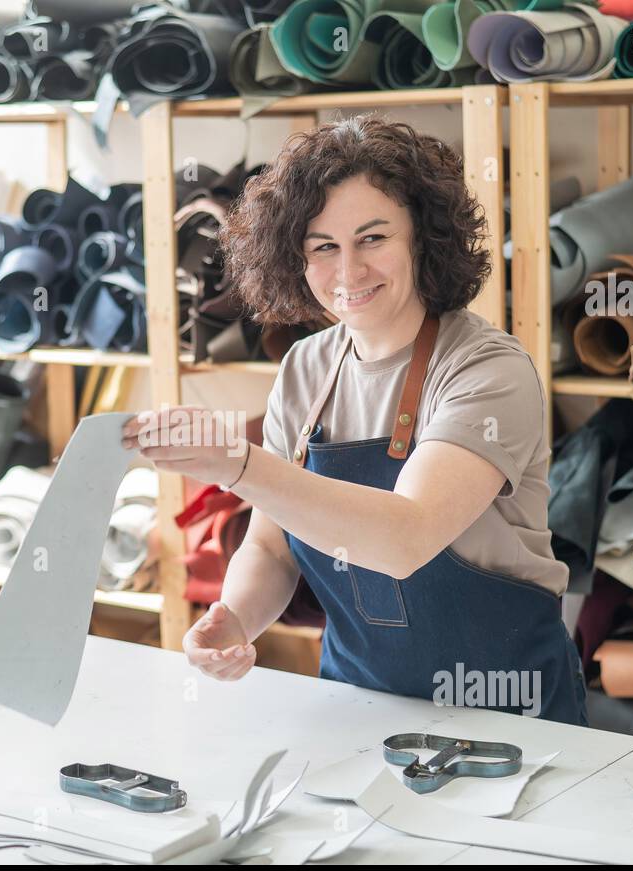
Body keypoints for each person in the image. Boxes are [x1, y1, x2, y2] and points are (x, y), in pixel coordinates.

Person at [122, 116, 587, 725]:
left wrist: (237, 463)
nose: (348, 272)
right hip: (356, 711)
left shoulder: (487, 368)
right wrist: (232, 617)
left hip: (507, 716)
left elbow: (406, 538)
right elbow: (272, 545)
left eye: (373, 239)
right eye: (323, 247)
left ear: (422, 237)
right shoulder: (305, 368)